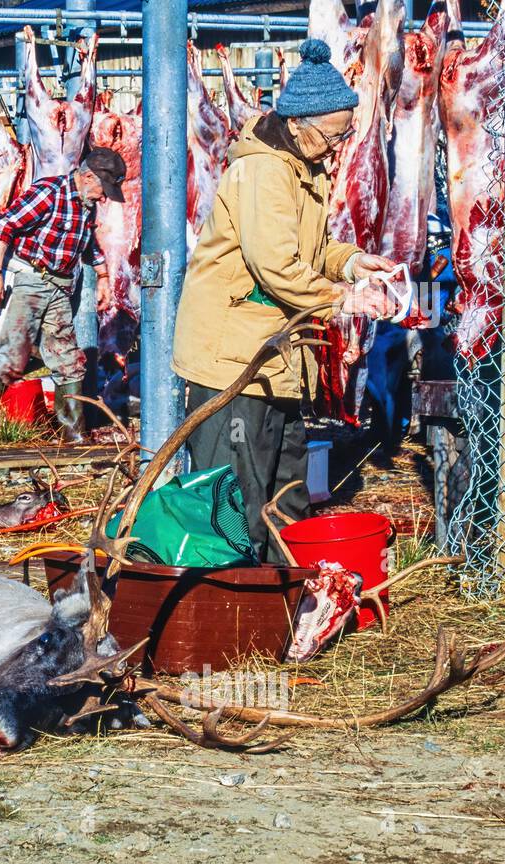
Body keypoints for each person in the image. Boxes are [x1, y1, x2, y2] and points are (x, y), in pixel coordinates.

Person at [171, 38, 398, 563]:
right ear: (298, 123)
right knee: (236, 494)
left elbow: (309, 249)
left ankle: (281, 595)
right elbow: (276, 266)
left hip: (275, 356)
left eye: (344, 135)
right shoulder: (264, 171)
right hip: (233, 358)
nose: (338, 146)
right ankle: (231, 609)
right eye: (333, 134)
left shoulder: (304, 169)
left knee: (284, 487)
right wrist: (343, 299)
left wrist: (349, 262)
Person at [0, 147, 126, 442]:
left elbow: (87, 243)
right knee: (12, 358)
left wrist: (104, 276)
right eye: (102, 189)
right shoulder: (49, 193)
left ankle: (73, 435)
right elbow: (5, 224)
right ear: (88, 176)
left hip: (60, 285)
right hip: (31, 280)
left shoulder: (86, 205)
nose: (103, 197)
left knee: (68, 360)